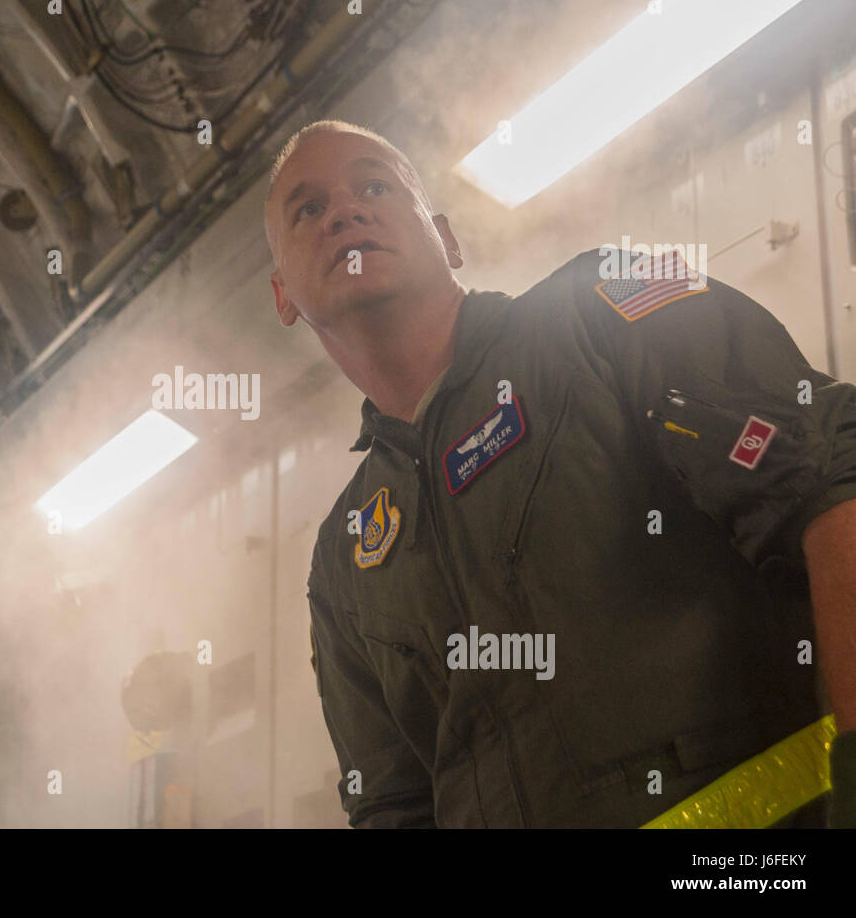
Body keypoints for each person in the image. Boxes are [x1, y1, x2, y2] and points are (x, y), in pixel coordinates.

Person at [264, 118, 856, 827]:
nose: (345, 210)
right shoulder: (342, 555)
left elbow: (829, 475)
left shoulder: (606, 293)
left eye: (374, 185)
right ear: (283, 298)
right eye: (309, 208)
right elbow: (390, 807)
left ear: (447, 237)